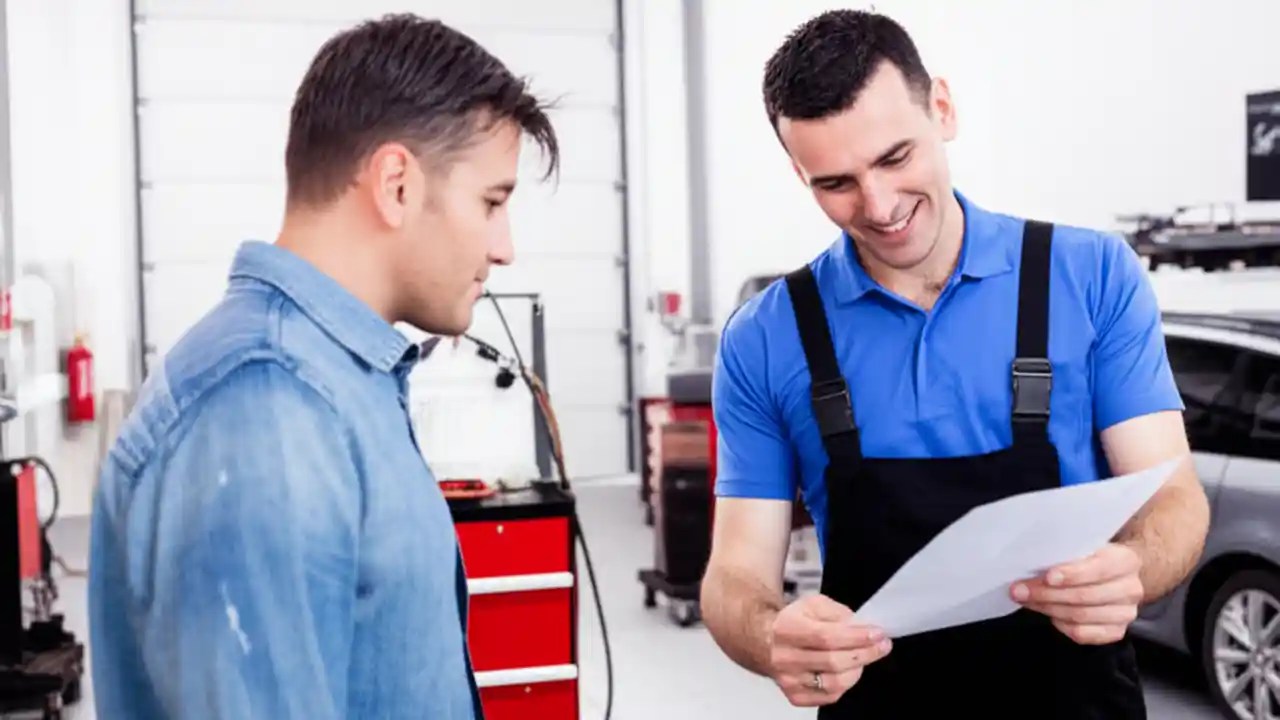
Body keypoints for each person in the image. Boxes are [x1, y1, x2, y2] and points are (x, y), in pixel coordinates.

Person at [700, 9, 1210, 717]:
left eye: (894, 157)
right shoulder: (766, 337)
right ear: (798, 171)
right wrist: (768, 631)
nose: (878, 206)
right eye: (836, 183)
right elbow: (734, 574)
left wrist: (1133, 568)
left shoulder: (1091, 276)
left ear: (941, 108)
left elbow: (1173, 501)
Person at [87, 14, 557, 720]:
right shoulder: (264, 413)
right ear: (397, 184)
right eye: (491, 202)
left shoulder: (339, 381)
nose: (505, 247)